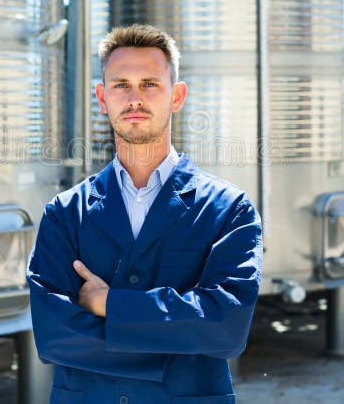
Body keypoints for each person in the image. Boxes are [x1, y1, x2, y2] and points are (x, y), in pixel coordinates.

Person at [27, 24, 263, 403]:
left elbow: (226, 326)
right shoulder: (65, 213)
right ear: (102, 98)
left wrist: (111, 306)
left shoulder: (229, 210)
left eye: (150, 83)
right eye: (121, 85)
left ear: (177, 96)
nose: (135, 98)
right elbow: (55, 336)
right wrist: (175, 339)